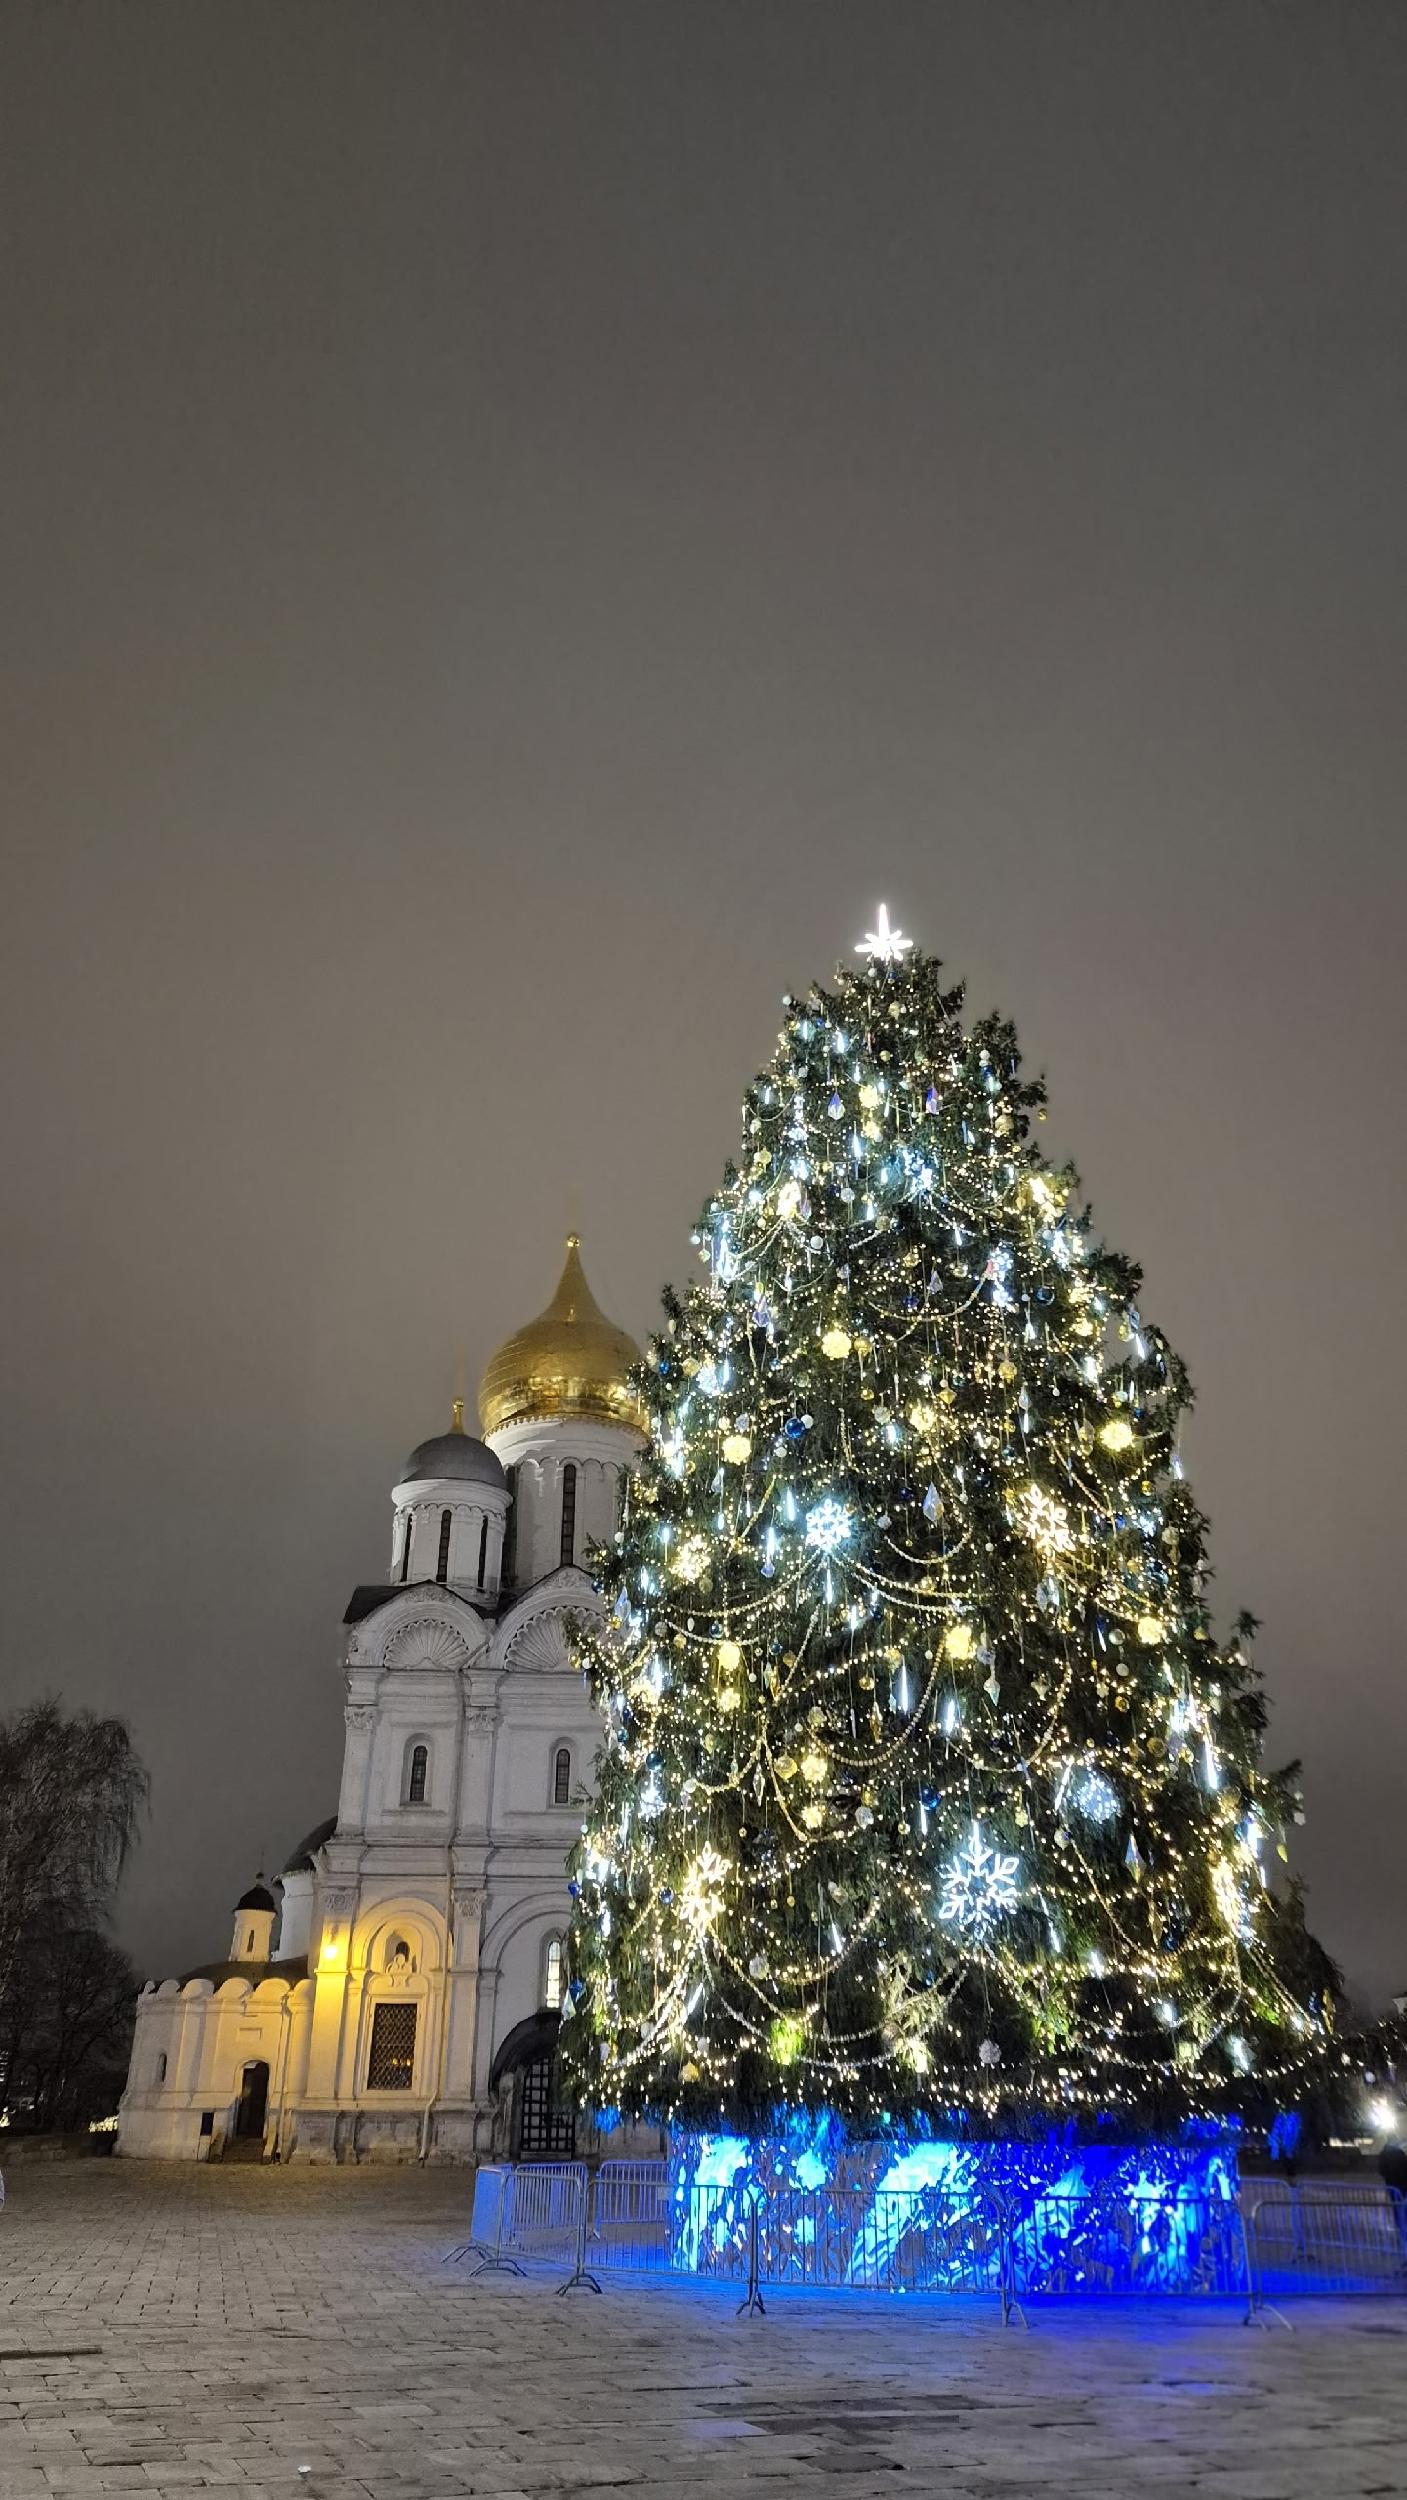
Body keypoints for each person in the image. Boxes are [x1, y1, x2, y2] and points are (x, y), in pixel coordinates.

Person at [1378, 2140, 1407, 2261]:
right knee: (1403, 2211)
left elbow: (1381, 2171)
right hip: (1402, 2187)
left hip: (1393, 2187)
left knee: (1398, 2212)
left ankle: (1402, 2233)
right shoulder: (1399, 2154)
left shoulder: (1383, 2154)